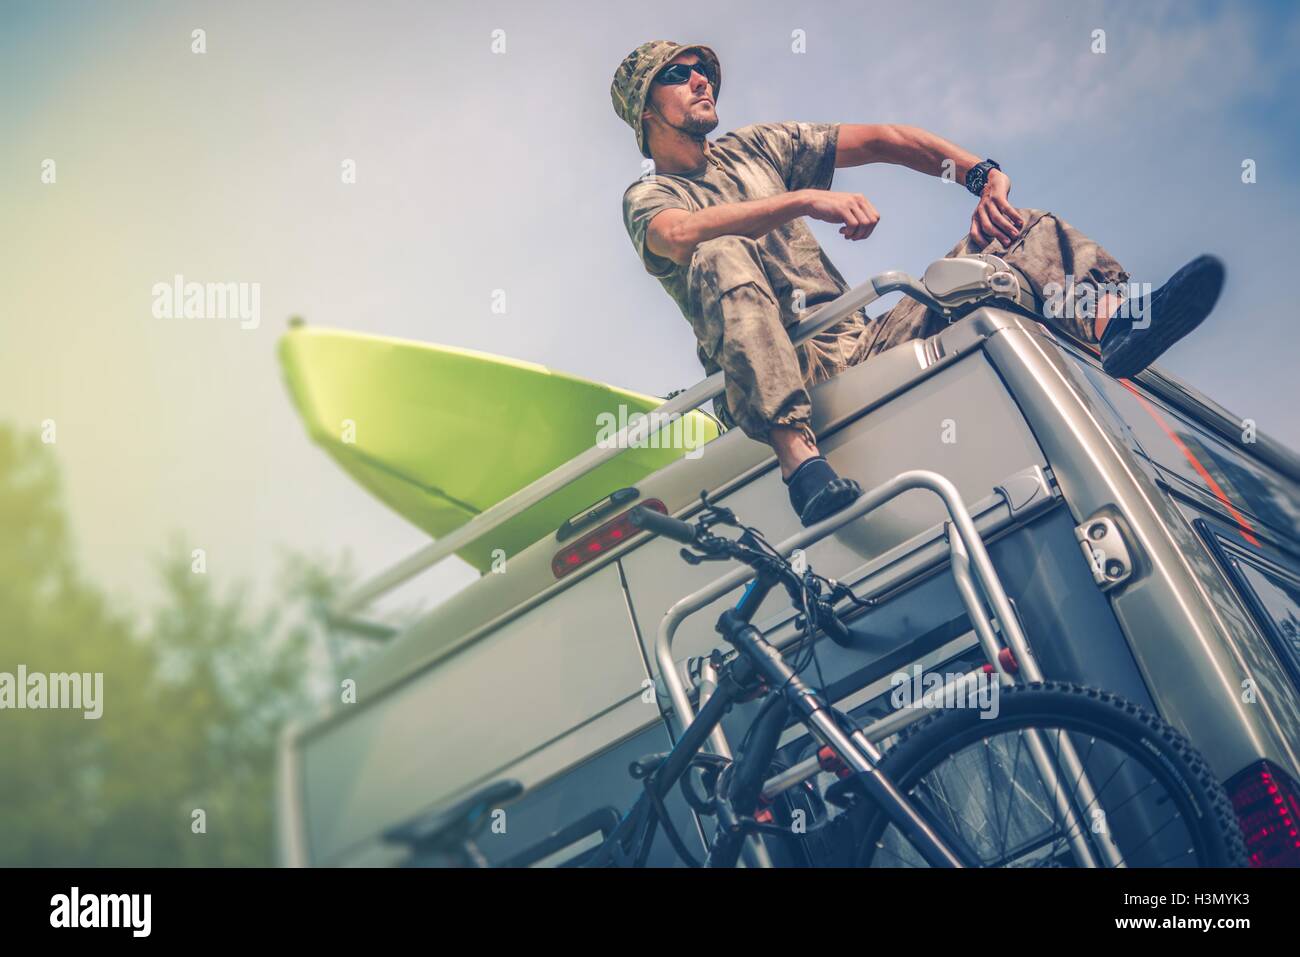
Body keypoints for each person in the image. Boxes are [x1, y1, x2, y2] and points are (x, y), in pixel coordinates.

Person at [612, 40, 1225, 527]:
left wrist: (978, 174)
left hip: (861, 342)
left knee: (1014, 234)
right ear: (646, 110)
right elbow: (677, 234)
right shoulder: (649, 194)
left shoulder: (754, 149)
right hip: (786, 372)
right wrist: (807, 199)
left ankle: (1111, 323)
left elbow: (882, 140)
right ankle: (799, 463)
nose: (702, 80)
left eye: (704, 70)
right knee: (720, 251)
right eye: (680, 73)